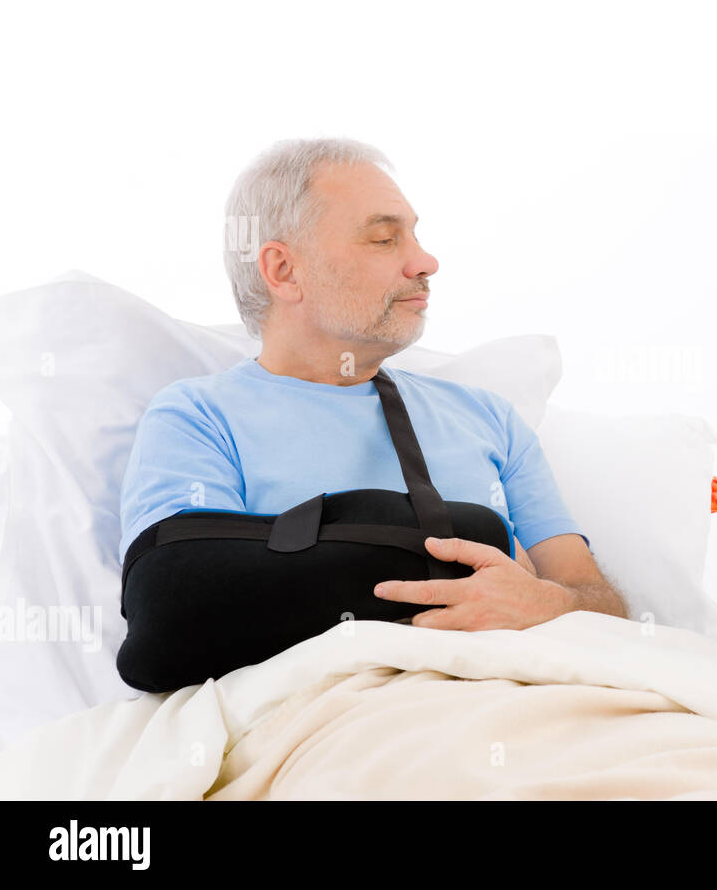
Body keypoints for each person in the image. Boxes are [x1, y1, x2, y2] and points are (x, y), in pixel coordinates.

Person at [119, 138, 626, 633]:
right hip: (352, 707)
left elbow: (601, 605)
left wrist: (550, 606)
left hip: (532, 694)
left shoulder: (487, 418)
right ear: (284, 270)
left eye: (415, 236)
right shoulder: (198, 419)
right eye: (384, 239)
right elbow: (185, 608)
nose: (426, 262)